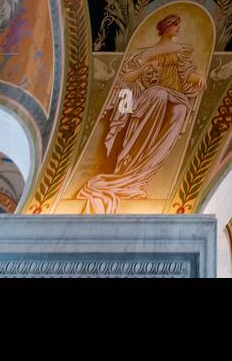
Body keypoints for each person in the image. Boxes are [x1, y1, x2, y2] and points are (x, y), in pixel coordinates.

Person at [77, 14, 205, 213]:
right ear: (166, 27)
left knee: (181, 109)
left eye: (179, 25)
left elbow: (185, 73)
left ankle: (145, 168)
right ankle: (130, 158)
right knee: (159, 93)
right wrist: (146, 66)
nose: (178, 29)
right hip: (148, 97)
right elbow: (126, 78)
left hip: (176, 96)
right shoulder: (146, 53)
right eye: (175, 25)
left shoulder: (180, 51)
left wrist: (198, 77)